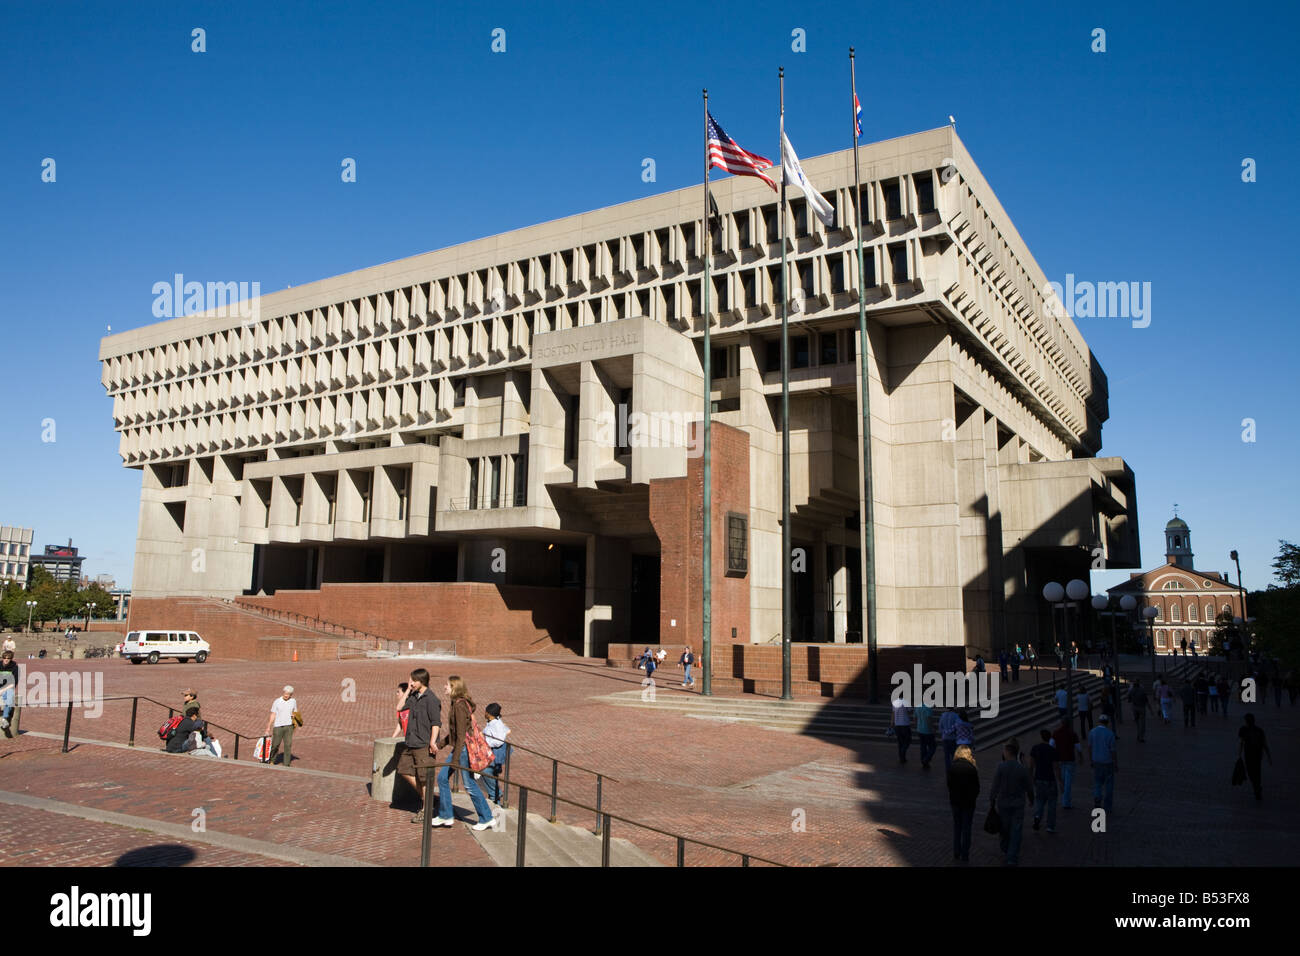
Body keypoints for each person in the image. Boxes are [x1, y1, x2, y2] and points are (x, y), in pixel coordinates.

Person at [435, 676, 496, 830]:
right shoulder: (456, 703)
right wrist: (440, 744)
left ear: (454, 687)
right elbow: (456, 732)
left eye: (447, 685)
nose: (444, 687)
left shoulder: (459, 706)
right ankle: (446, 815)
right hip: (459, 748)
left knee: (469, 785)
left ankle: (486, 818)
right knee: (442, 778)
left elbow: (461, 734)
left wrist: (454, 760)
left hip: (462, 750)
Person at [394, 669, 441, 823]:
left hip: (423, 744)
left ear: (422, 681)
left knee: (424, 779)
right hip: (411, 742)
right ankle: (427, 799)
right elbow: (399, 708)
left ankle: (426, 809)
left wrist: (433, 742)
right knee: (403, 770)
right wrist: (408, 689)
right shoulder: (413, 696)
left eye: (413, 680)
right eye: (410, 680)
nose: (411, 682)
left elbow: (436, 723)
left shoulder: (431, 699)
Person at [990, 740, 1033, 865]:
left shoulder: (1001, 767)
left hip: (1003, 803)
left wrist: (992, 799)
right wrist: (1031, 799)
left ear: (1008, 752)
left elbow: (995, 786)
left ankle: (1006, 849)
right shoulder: (1022, 768)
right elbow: (1028, 787)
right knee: (1016, 830)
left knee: (1005, 828)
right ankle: (1012, 855)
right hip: (1018, 803)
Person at [946, 745, 979, 863]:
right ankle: (965, 853)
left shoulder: (952, 767)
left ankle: (956, 851)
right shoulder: (972, 768)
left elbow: (949, 785)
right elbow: (976, 788)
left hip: (955, 802)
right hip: (969, 803)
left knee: (957, 827)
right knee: (967, 828)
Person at [1029, 729, 1059, 833]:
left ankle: (1037, 816)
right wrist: (1061, 781)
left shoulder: (1035, 748)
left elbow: (1031, 765)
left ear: (1041, 737)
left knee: (1040, 800)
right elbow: (1056, 767)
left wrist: (1031, 777)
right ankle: (1050, 826)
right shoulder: (1052, 750)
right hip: (1050, 779)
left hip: (1038, 778)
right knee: (1051, 803)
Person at [481, 702, 511, 805]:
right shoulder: (492, 721)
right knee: (488, 774)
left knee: (485, 771)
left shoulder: (496, 724)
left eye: (486, 711)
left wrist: (485, 741)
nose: (484, 713)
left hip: (494, 753)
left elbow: (499, 741)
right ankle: (495, 798)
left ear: (490, 713)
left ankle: (495, 794)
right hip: (489, 751)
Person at [1237, 713, 1272, 801]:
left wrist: (1239, 754)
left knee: (1251, 772)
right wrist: (1268, 756)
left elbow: (1241, 742)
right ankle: (1257, 787)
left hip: (1249, 755)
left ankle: (1256, 787)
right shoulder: (1259, 730)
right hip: (1258, 755)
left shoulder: (1243, 729)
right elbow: (1264, 744)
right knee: (1257, 772)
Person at [1087, 714, 1118, 815]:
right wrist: (1115, 763)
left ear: (1099, 721)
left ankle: (1097, 796)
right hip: (1107, 761)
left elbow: (1089, 747)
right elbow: (1113, 751)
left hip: (1096, 761)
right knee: (1109, 784)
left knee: (1097, 782)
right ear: (1107, 722)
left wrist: (1091, 759)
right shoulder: (1110, 734)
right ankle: (1107, 806)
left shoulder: (1092, 732)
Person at [263, 685, 298, 768]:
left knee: (288, 745)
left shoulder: (293, 701)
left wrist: (294, 717)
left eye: (288, 694)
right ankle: (272, 760)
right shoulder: (277, 701)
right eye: (285, 693)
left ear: (291, 695)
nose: (286, 695)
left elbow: (295, 711)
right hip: (278, 726)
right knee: (275, 744)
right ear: (283, 692)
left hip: (289, 726)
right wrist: (268, 726)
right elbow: (273, 714)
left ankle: (286, 763)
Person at [1051, 717, 1080, 809]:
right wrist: (1081, 756)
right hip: (1070, 759)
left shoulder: (1055, 733)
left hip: (1060, 759)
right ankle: (1066, 801)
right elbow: (1078, 747)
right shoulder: (1072, 733)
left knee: (1063, 780)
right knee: (1068, 781)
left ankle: (1064, 799)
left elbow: (1051, 745)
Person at [0, 650, 18, 737]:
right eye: (4, 658)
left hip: (7, 688)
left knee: (9, 696)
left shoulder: (14, 667)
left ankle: (5, 718)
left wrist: (3, 690)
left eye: (8, 658)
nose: (6, 660)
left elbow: (13, 682)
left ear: (11, 659)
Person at [915, 700, 936, 769]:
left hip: (919, 729)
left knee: (923, 746)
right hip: (927, 730)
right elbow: (928, 719)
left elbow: (914, 718)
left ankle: (924, 761)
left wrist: (917, 725)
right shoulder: (928, 708)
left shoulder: (917, 706)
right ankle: (926, 759)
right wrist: (932, 728)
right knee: (932, 747)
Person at [891, 698, 912, 764]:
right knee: (907, 740)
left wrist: (892, 723)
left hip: (897, 724)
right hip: (905, 724)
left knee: (900, 742)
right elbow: (910, 711)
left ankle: (902, 758)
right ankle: (903, 752)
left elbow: (893, 713)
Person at [939, 707, 960, 771]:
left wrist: (945, 732)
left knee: (946, 755)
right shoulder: (956, 716)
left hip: (945, 738)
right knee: (953, 754)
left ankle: (948, 769)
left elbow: (940, 726)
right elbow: (957, 726)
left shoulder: (943, 715)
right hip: (953, 738)